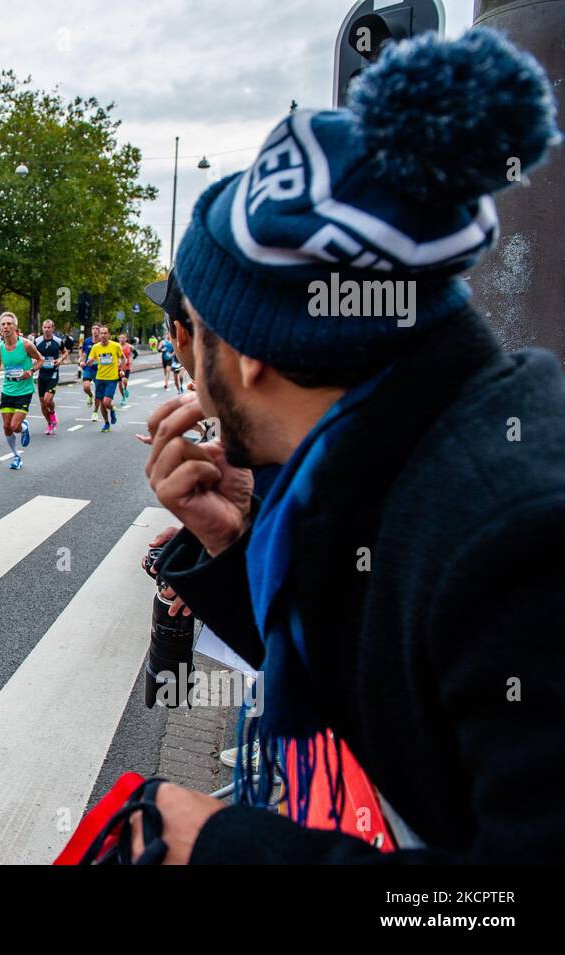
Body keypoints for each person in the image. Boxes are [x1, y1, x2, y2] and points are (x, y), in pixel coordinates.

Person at [138, 27, 565, 864]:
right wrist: (237, 543)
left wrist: (227, 847)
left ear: (248, 351)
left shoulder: (517, 535)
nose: (187, 367)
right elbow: (393, 695)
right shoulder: (412, 450)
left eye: (193, 338)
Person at [0, 312, 42, 469]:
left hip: (24, 391)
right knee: (6, 427)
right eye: (3, 324)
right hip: (7, 391)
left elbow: (40, 360)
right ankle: (16, 456)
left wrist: (30, 371)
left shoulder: (26, 345)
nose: (6, 327)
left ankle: (24, 427)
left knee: (15, 426)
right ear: (0, 329)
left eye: (9, 324)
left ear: (15, 327)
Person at [33, 319, 68, 435]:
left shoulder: (58, 341)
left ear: (53, 328)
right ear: (42, 328)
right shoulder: (37, 341)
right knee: (43, 404)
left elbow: (65, 352)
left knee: (48, 400)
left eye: (49, 328)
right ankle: (50, 424)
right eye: (45, 327)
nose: (47, 330)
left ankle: (52, 412)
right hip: (42, 374)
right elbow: (31, 354)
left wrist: (60, 359)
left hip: (53, 374)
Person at [87, 325, 125, 433]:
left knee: (107, 402)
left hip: (112, 378)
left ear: (109, 334)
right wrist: (89, 361)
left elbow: (123, 358)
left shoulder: (116, 346)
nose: (103, 335)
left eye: (105, 333)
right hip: (99, 377)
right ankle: (106, 423)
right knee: (102, 403)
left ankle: (112, 410)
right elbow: (91, 357)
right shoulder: (96, 347)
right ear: (99, 335)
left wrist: (121, 369)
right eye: (101, 333)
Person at [80, 323, 101, 420]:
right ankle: (90, 395)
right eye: (93, 328)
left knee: (99, 392)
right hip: (88, 367)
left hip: (100, 369)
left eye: (97, 329)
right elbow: (83, 352)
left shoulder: (103, 342)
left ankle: (95, 412)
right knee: (86, 386)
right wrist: (82, 361)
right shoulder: (87, 341)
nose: (95, 330)